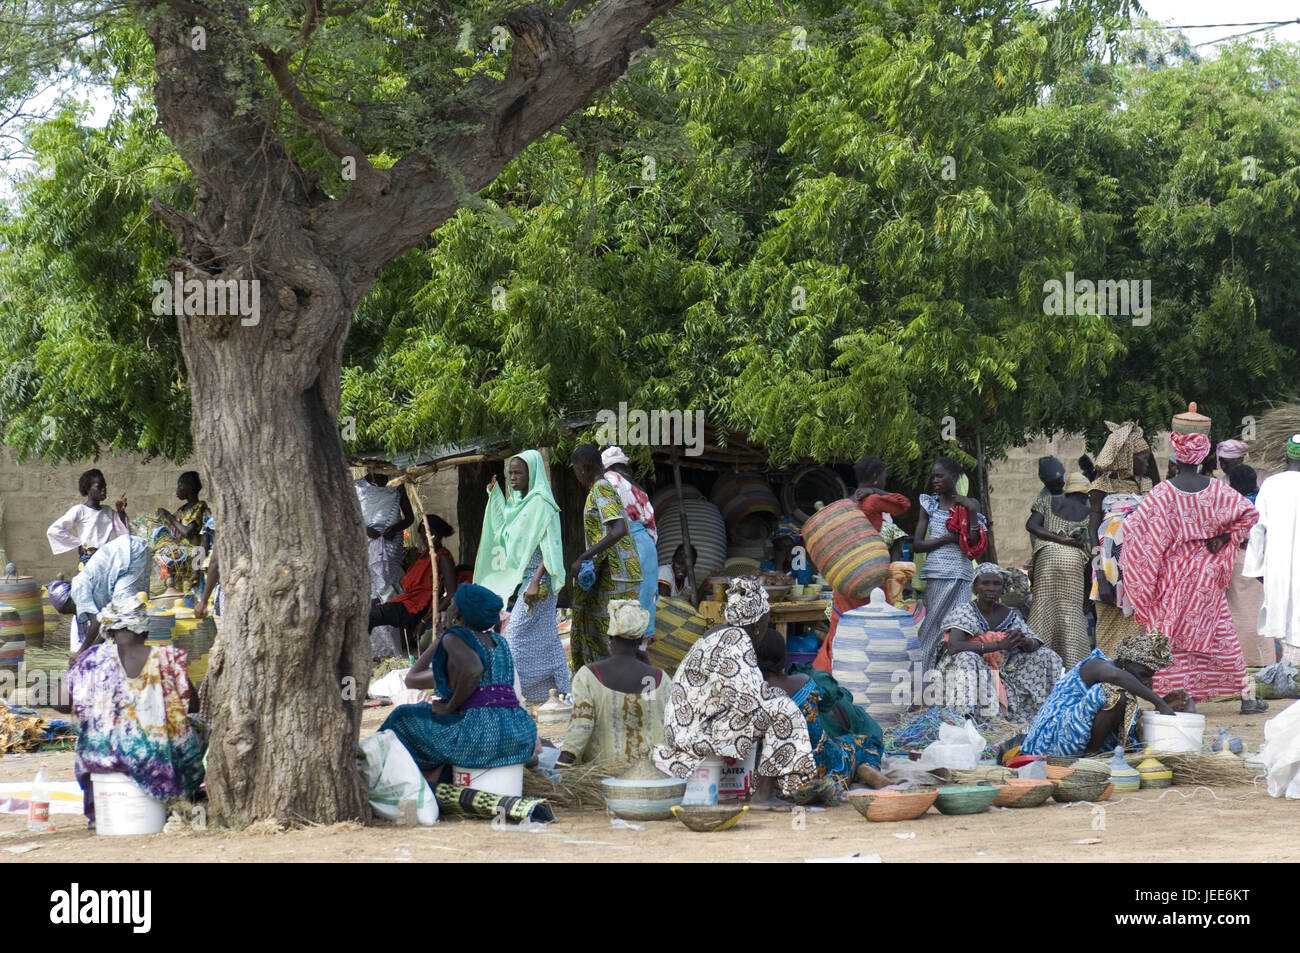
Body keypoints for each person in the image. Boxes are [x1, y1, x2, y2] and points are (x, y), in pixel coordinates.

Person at [1122, 429, 1262, 711]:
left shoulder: (1162, 494)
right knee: (1220, 633)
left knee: (1167, 636)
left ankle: (1176, 695)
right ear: (1202, 455)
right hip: (1207, 574)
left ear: (1178, 455)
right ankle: (1247, 698)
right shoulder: (1219, 491)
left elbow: (1135, 529)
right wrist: (1222, 538)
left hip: (1172, 575)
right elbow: (1249, 514)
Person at [655, 577, 816, 810]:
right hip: (694, 733)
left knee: (772, 703)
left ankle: (760, 788)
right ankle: (763, 795)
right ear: (758, 624)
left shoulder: (719, 634)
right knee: (782, 708)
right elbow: (748, 701)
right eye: (767, 621)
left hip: (690, 727)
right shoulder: (736, 641)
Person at [66, 596, 206, 829]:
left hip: (101, 759)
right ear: (145, 629)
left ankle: (97, 813)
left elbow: (62, 703)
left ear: (108, 631)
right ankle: (179, 800)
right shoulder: (167, 657)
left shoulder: (90, 660)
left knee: (89, 734)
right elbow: (192, 706)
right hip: (158, 762)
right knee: (198, 727)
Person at [380, 584, 537, 776]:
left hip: (480, 734)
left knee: (403, 717)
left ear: (460, 613)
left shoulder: (456, 638)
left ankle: (391, 777)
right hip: (517, 731)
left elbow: (469, 671)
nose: (448, 607)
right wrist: (439, 640)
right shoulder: (500, 642)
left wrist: (450, 706)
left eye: (453, 603)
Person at [474, 450, 570, 703]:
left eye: (518, 473)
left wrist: (536, 581)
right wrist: (494, 496)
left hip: (540, 581)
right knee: (546, 637)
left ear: (533, 473)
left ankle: (518, 693)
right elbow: (503, 531)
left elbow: (550, 547)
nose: (513, 478)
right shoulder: (517, 505)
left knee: (514, 637)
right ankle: (553, 691)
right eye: (510, 473)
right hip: (526, 583)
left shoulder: (542, 505)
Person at [756, 628, 887, 798]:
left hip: (777, 775)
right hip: (823, 765)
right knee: (868, 742)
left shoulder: (753, 696)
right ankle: (863, 769)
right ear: (784, 657)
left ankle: (804, 788)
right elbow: (829, 698)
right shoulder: (803, 682)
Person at [813, 454, 911, 672]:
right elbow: (904, 504)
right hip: (871, 576)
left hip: (846, 576)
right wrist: (878, 491)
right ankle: (868, 675)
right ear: (876, 476)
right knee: (872, 628)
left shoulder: (847, 502)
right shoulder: (873, 500)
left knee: (842, 628)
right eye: (883, 475)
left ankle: (831, 672)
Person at [1022, 630, 1182, 757]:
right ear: (1126, 663)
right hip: (1050, 740)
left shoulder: (1125, 676)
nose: (1147, 682)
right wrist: (1159, 703)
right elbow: (1115, 676)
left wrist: (1164, 706)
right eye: (1144, 674)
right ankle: (1091, 756)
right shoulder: (1097, 665)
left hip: (1071, 735)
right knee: (1115, 695)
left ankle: (1099, 754)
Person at [936, 562, 1062, 721]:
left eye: (996, 584)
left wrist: (1023, 641)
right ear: (975, 588)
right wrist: (998, 645)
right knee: (968, 657)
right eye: (985, 583)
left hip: (1001, 667)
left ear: (1003, 589)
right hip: (964, 668)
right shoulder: (965, 611)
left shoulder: (1007, 613)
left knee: (1046, 655)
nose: (991, 588)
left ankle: (1046, 713)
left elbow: (1035, 641)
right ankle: (965, 717)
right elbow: (954, 646)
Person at [557, 600, 671, 770]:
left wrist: (560, 767)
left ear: (610, 638)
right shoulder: (659, 678)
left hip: (603, 780)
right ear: (641, 640)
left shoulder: (588, 676)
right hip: (652, 776)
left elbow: (581, 728)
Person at [569, 443, 642, 669]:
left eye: (576, 470)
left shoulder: (601, 488)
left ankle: (617, 684)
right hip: (615, 573)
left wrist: (583, 557)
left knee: (613, 639)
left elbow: (619, 529)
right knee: (614, 636)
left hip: (617, 575)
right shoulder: (602, 489)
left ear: (582, 469)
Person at [1088, 421, 1153, 657]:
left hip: (1139, 572)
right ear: (1125, 458)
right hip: (1109, 570)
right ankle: (1110, 686)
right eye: (1142, 458)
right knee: (1107, 630)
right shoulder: (1101, 487)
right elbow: (1093, 533)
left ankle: (1134, 683)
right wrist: (1101, 576)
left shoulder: (1146, 486)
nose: (1146, 463)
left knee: (1136, 631)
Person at [913, 456, 986, 667]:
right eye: (933, 476)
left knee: (959, 627)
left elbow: (975, 543)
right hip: (937, 573)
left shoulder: (970, 505)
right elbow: (918, 544)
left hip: (962, 575)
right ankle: (922, 679)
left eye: (940, 475)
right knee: (933, 626)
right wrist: (947, 539)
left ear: (953, 477)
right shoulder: (929, 504)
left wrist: (971, 512)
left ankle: (950, 678)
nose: (935, 480)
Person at [1244, 434, 1300, 668]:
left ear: (1286, 455)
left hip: (1277, 568)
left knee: (1288, 625)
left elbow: (1257, 529)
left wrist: (1257, 568)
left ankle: (1292, 672)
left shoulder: (1270, 485)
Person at [1026, 471, 1093, 668]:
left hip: (1047, 557)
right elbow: (1089, 555)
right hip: (1073, 561)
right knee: (1070, 612)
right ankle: (1073, 663)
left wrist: (1055, 539)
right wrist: (1086, 593)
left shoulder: (1048, 500)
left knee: (1042, 608)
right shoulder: (1088, 511)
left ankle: (1036, 661)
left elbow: (1031, 525)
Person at [353, 471, 414, 657]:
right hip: (366, 543)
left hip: (390, 544)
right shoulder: (357, 487)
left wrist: (394, 529)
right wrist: (364, 529)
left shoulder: (397, 484)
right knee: (370, 590)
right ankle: (372, 651)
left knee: (388, 593)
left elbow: (409, 518)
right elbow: (348, 517)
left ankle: (391, 651)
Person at [601, 446, 659, 638]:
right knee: (645, 599)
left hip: (627, 543)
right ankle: (642, 644)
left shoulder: (610, 481)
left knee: (624, 602)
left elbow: (611, 522)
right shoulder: (637, 488)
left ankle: (627, 649)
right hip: (647, 544)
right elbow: (651, 526)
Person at [1219, 456, 1272, 666]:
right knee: (1262, 610)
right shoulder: (1264, 503)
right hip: (1263, 558)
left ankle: (1239, 664)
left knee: (1237, 610)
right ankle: (1265, 662)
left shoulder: (1230, 506)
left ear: (1232, 484)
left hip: (1236, 558)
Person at [367, 517, 443, 657]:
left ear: (437, 535)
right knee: (366, 608)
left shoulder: (443, 558)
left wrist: (424, 620)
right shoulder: (424, 555)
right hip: (404, 598)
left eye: (429, 536)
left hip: (415, 606)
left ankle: (360, 657)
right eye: (423, 537)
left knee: (370, 616)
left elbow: (449, 593)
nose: (425, 540)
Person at [70, 534, 152, 654]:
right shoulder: (83, 585)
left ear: (69, 602)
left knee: (126, 614)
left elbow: (98, 622)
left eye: (65, 610)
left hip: (129, 553)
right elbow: (107, 621)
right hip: (133, 549)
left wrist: (82, 652)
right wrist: (92, 651)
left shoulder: (78, 589)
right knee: (127, 613)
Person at [46, 469, 129, 571]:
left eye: (105, 487)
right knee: (87, 585)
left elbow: (124, 534)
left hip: (106, 559)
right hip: (88, 559)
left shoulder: (108, 511)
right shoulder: (80, 510)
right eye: (99, 486)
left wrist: (120, 511)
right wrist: (79, 543)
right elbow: (54, 530)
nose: (103, 489)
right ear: (88, 489)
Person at [149, 471, 211, 593]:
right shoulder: (181, 510)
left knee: (192, 595)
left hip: (194, 561)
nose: (177, 490)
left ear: (190, 488)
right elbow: (173, 532)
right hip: (180, 563)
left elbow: (187, 532)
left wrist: (168, 516)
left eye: (180, 486)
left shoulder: (200, 507)